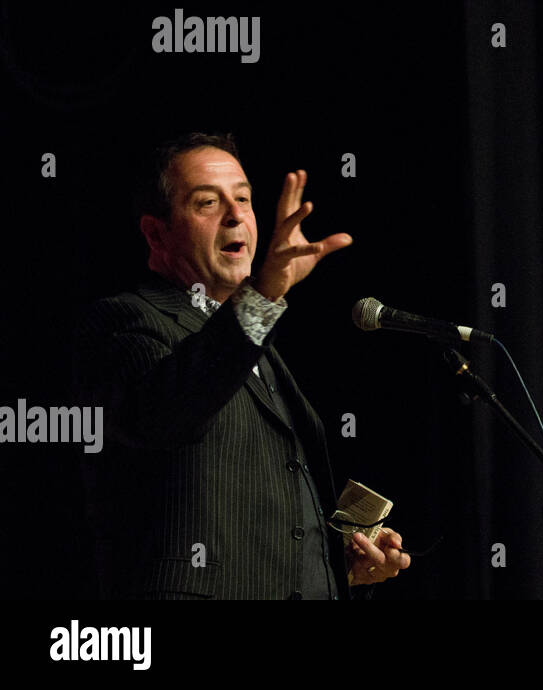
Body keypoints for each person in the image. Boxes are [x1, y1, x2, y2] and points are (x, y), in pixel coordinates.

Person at [74, 132, 411, 599]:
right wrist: (264, 296)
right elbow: (167, 414)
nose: (235, 215)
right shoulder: (127, 320)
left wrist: (340, 564)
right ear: (156, 232)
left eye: (245, 199)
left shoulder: (257, 345)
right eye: (208, 203)